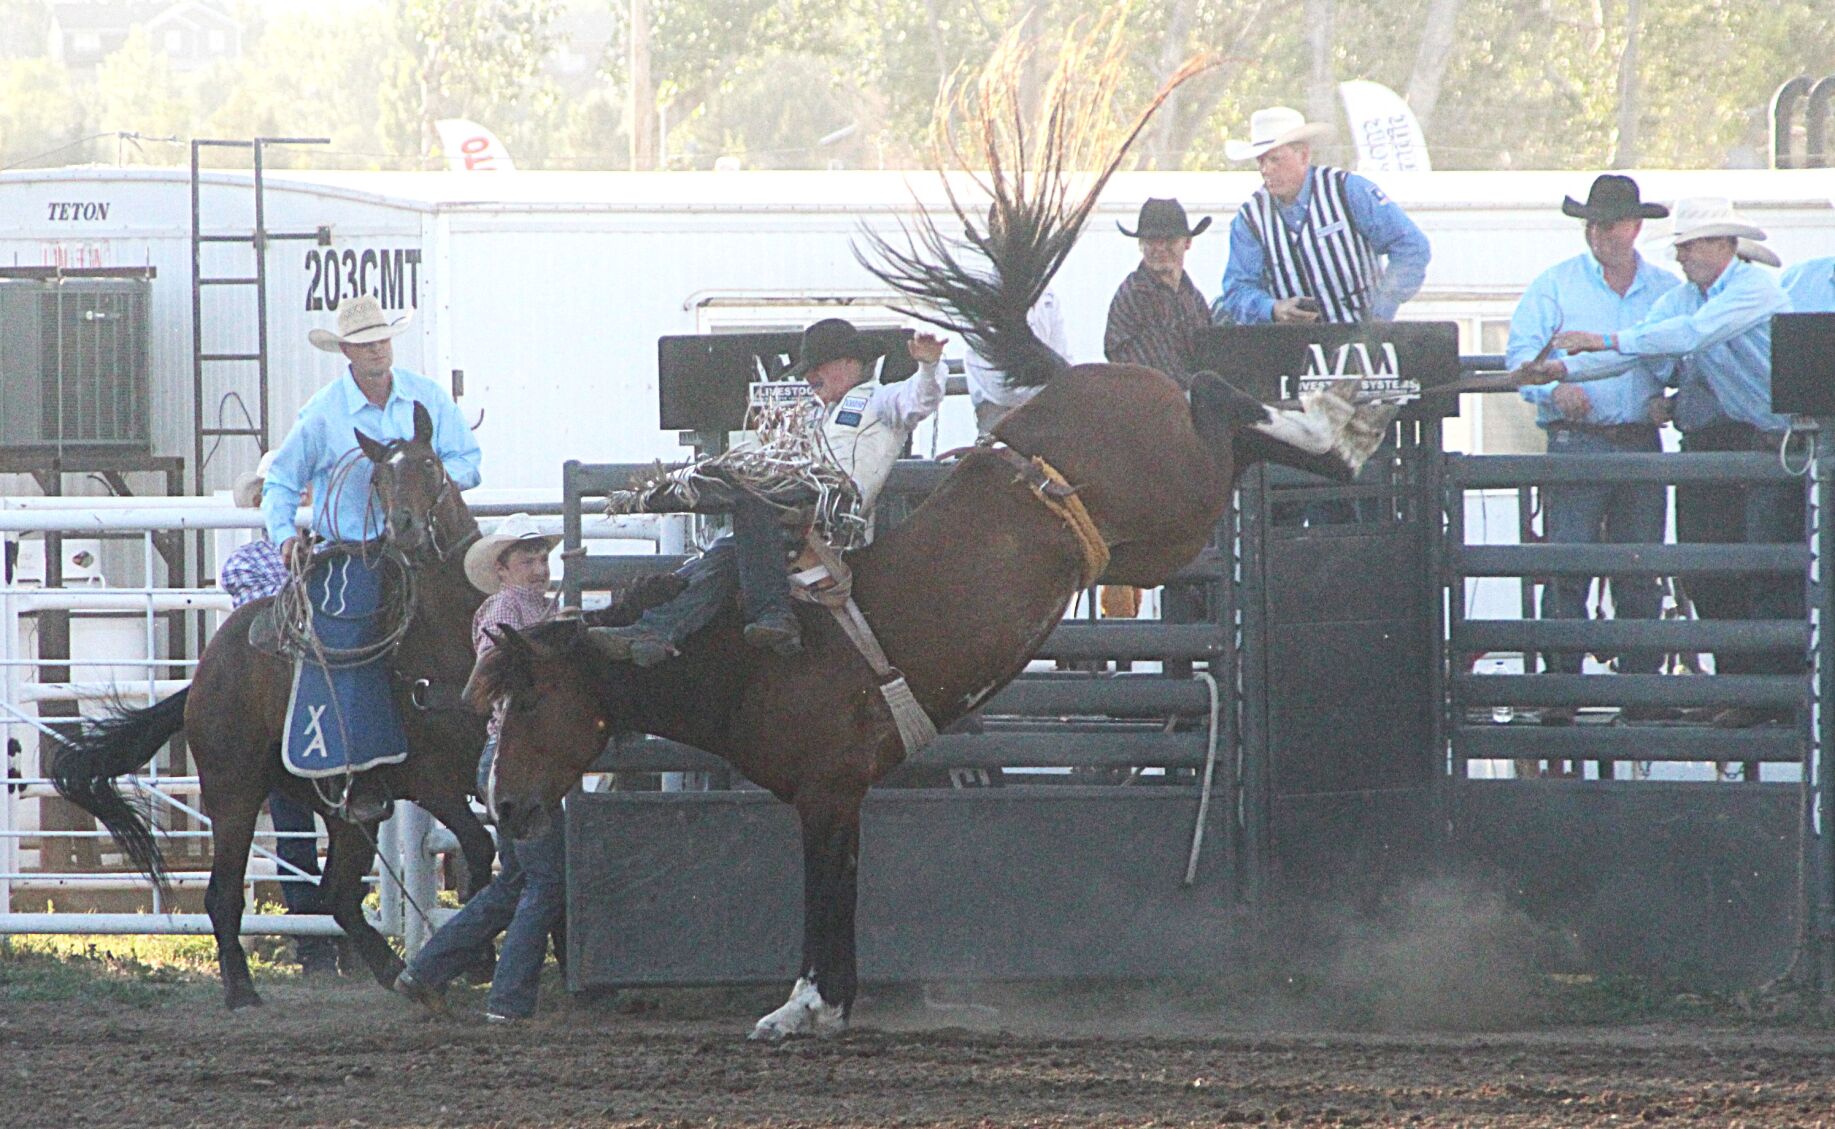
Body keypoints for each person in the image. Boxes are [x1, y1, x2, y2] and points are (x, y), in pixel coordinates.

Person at [1542, 198, 1795, 730]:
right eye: (1680, 246)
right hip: (1730, 441)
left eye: (1693, 244)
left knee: (1764, 570)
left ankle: (1772, 694)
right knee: (1710, 568)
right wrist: (1564, 367)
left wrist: (1603, 340)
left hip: (1778, 445)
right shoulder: (1689, 299)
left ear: (1726, 246)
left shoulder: (1754, 291)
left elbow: (1689, 336)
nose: (1683, 255)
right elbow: (1642, 347)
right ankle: (1744, 691)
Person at [590, 318, 944, 664]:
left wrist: (929, 366)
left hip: (833, 510)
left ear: (850, 363)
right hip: (793, 507)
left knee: (750, 492)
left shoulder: (880, 400)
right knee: (723, 557)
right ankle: (657, 629)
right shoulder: (821, 415)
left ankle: (770, 611)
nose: (808, 376)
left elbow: (919, 399)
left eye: (817, 366)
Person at [262, 295, 482, 821]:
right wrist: (284, 535)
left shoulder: (425, 397)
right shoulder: (322, 416)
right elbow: (282, 480)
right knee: (353, 637)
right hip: (356, 551)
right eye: (365, 344)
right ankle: (358, 770)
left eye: (382, 339)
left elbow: (468, 461)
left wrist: (425, 477)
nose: (377, 350)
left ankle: (484, 744)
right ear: (347, 352)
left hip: (430, 549)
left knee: (485, 612)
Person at [1505, 175, 1681, 730]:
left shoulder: (1664, 290)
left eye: (1606, 223)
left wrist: (1669, 401)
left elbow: (1684, 359)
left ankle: (1639, 691)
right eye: (1592, 223)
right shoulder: (1554, 286)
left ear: (1632, 228)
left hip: (1633, 438)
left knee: (1637, 568)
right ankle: (1565, 688)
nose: (1597, 233)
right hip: (1579, 440)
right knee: (1570, 566)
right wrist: (1552, 389)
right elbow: (1520, 359)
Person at [394, 513, 565, 1022]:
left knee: (517, 880)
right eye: (528, 560)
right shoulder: (505, 612)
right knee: (546, 880)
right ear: (504, 568)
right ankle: (509, 1001)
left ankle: (426, 970)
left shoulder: (527, 609)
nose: (539, 568)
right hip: (518, 759)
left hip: (516, 758)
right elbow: (498, 683)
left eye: (541, 558)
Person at [220, 452, 337, 974]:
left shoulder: (335, 553)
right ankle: (313, 938)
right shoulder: (251, 561)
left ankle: (334, 930)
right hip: (282, 705)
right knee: (295, 824)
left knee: (346, 817)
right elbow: (281, 621)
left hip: (325, 698)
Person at [1216, 106, 1430, 326]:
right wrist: (1273, 309)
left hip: (1361, 339)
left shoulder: (1348, 191)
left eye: (1275, 160)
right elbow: (1238, 289)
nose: (1265, 170)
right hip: (1290, 348)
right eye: (1260, 161)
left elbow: (1411, 246)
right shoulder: (1250, 219)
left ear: (1304, 155)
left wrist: (1382, 310)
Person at [1103, 198, 1214, 387]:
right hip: (1148, 406)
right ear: (1141, 245)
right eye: (1152, 240)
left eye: (1170, 240)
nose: (1160, 248)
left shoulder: (1193, 297)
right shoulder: (1133, 296)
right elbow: (1151, 372)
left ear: (1187, 243)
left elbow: (1211, 355)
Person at [968, 287, 1068, 438]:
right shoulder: (984, 296)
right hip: (1000, 418)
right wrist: (1053, 391)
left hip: (1046, 414)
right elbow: (1001, 389)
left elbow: (1063, 356)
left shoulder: (1048, 297)